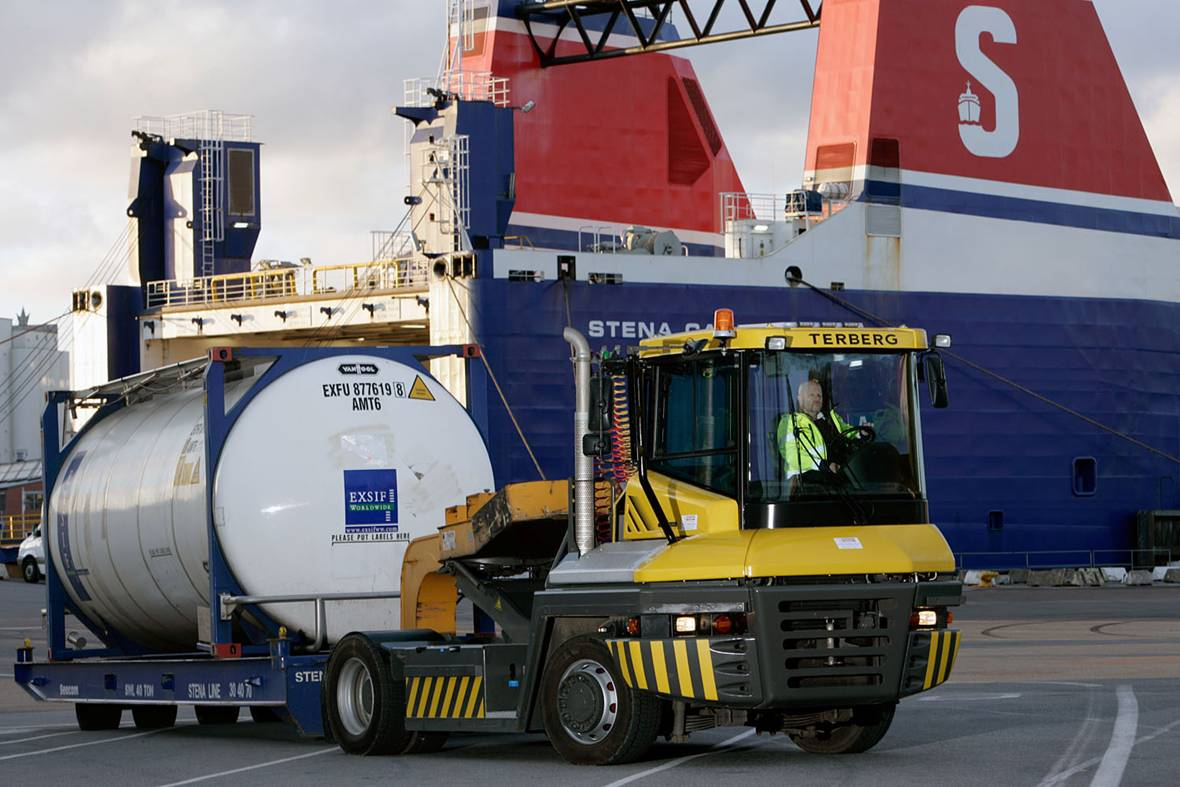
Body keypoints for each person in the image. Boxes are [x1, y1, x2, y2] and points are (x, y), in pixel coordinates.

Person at [776, 379, 854, 479]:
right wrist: (821, 464)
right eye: (811, 395)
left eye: (819, 395)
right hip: (806, 484)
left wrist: (860, 434)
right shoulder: (790, 423)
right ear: (800, 399)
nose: (817, 398)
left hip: (838, 479)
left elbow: (847, 431)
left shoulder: (829, 418)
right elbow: (791, 455)